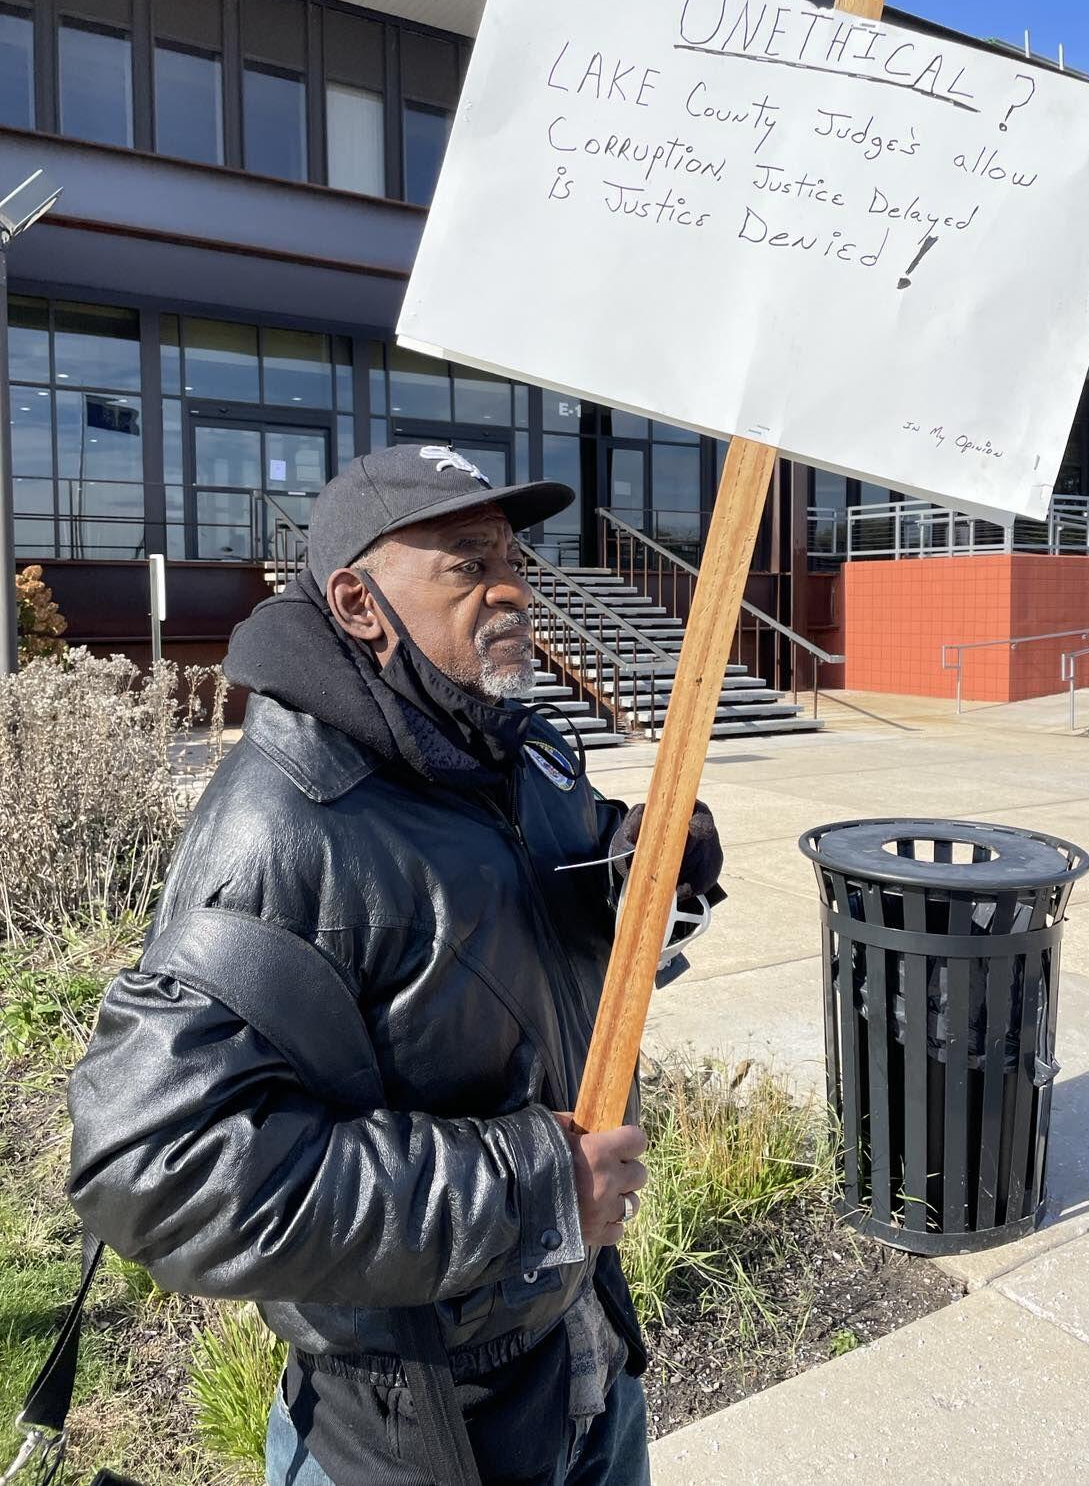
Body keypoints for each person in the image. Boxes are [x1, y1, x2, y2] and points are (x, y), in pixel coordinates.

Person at [67, 443, 723, 1486]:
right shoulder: (282, 828)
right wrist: (533, 1189)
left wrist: (640, 878)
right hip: (410, 1428)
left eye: (514, 561)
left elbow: (519, 925)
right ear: (357, 604)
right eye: (468, 563)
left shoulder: (508, 751)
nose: (512, 589)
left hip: (585, 1355)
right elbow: (154, 1168)